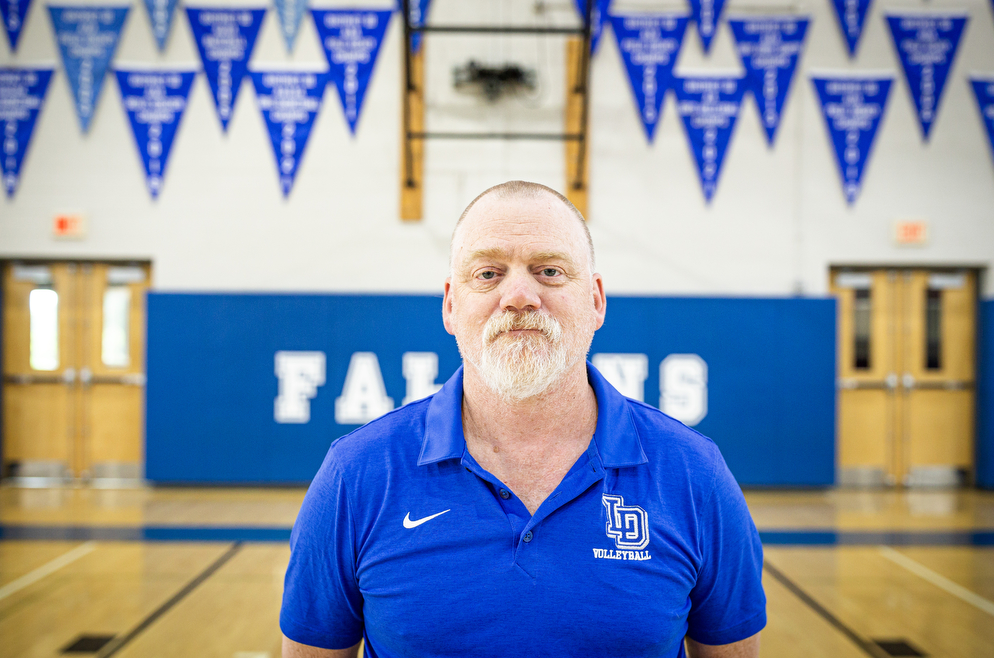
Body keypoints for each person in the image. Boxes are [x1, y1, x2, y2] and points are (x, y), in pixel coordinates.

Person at [280, 181, 766, 658]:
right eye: (488, 273)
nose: (519, 296)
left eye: (550, 271)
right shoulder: (356, 473)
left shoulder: (696, 474)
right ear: (451, 304)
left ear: (596, 301)